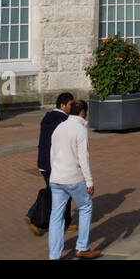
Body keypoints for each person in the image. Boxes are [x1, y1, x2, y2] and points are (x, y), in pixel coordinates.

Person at [47, 99, 99, 260]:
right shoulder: (80, 130)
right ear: (83, 112)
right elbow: (83, 158)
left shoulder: (59, 127)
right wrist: (89, 181)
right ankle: (82, 247)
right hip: (73, 177)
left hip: (56, 178)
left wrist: (54, 173)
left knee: (56, 216)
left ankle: (54, 255)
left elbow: (52, 153)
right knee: (85, 207)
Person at [26, 92, 74, 236]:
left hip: (45, 162)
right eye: (71, 105)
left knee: (58, 191)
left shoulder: (50, 117)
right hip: (54, 164)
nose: (72, 107)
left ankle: (64, 222)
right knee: (57, 192)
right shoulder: (62, 121)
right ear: (62, 105)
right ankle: (34, 218)